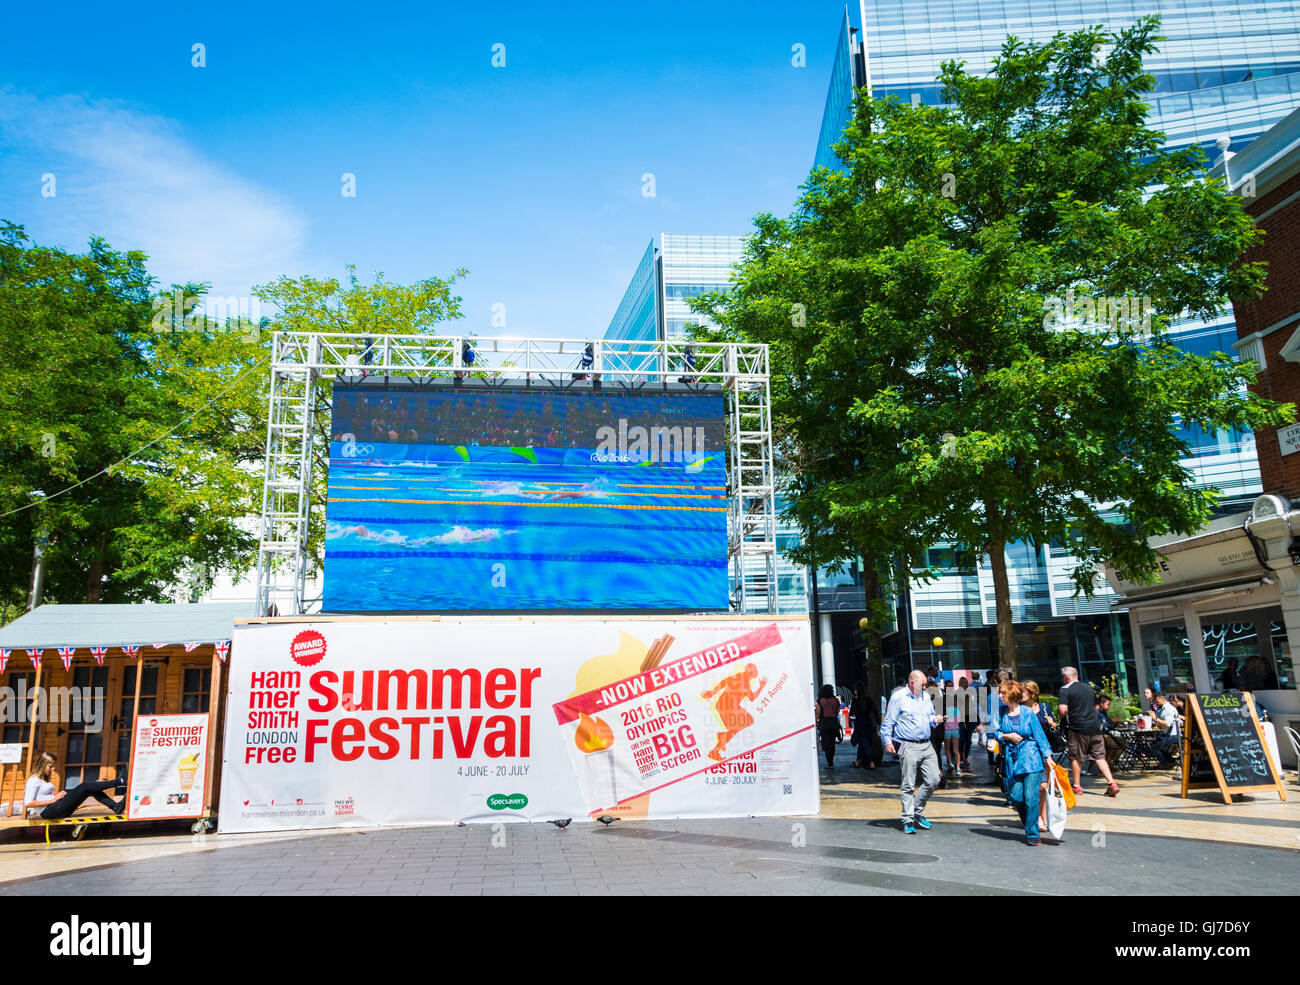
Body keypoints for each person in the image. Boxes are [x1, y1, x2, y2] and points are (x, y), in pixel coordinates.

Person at [880, 670, 945, 833]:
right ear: (911, 683)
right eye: (922, 685)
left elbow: (929, 717)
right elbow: (888, 722)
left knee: (934, 779)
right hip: (908, 745)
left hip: (926, 744)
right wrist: (887, 741)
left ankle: (916, 810)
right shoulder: (898, 697)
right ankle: (908, 819)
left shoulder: (925, 696)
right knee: (908, 784)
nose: (925, 688)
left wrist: (934, 720)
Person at [994, 681, 1057, 846]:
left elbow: (1039, 736)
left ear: (1012, 694)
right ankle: (1030, 823)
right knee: (1015, 796)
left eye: (1003, 693)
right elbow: (996, 732)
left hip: (1031, 759)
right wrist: (1008, 737)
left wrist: (1048, 757)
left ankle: (1032, 833)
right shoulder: (1001, 712)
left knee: (1031, 799)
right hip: (1012, 760)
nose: (1000, 696)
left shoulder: (1028, 713)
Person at [1059, 667, 1120, 798]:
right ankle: (1111, 783)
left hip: (1077, 728)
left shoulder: (1065, 689)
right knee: (1100, 757)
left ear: (1066, 677)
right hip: (1094, 727)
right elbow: (1095, 707)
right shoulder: (1088, 688)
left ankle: (1076, 786)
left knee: (1076, 757)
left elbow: (1062, 710)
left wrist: (1065, 715)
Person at [23, 753, 125, 820]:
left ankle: (115, 807)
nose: (53, 769)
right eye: (50, 766)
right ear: (42, 765)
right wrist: (53, 800)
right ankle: (119, 781)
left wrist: (58, 798)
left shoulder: (42, 779)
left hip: (55, 807)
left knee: (90, 789)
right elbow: (28, 803)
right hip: (49, 811)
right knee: (85, 786)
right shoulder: (33, 780)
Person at [850, 681, 879, 770]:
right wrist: (878, 723)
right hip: (869, 723)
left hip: (860, 724)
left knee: (865, 744)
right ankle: (857, 761)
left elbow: (851, 713)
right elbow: (875, 711)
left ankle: (871, 762)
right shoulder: (869, 699)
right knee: (863, 743)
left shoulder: (855, 700)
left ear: (857, 690)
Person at [1150, 692, 1181, 766]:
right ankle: (1170, 761)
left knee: (1154, 746)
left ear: (1163, 700)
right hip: (1166, 734)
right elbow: (1160, 722)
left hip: (1174, 735)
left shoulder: (1168, 709)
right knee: (1152, 744)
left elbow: (1167, 724)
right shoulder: (1162, 709)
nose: (1156, 703)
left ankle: (1166, 763)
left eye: (1157, 701)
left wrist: (1156, 718)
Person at [956, 676, 979, 771]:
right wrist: (964, 722)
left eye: (966, 682)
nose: (966, 684)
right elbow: (960, 708)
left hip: (971, 717)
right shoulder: (958, 693)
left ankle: (965, 757)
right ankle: (960, 757)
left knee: (968, 740)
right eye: (964, 682)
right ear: (960, 683)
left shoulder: (970, 692)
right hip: (962, 718)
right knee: (962, 739)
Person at [816, 684, 842, 768]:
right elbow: (837, 712)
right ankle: (831, 762)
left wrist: (816, 720)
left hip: (824, 723)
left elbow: (818, 713)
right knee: (832, 743)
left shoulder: (820, 700)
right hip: (833, 723)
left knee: (826, 743)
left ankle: (829, 763)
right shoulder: (836, 700)